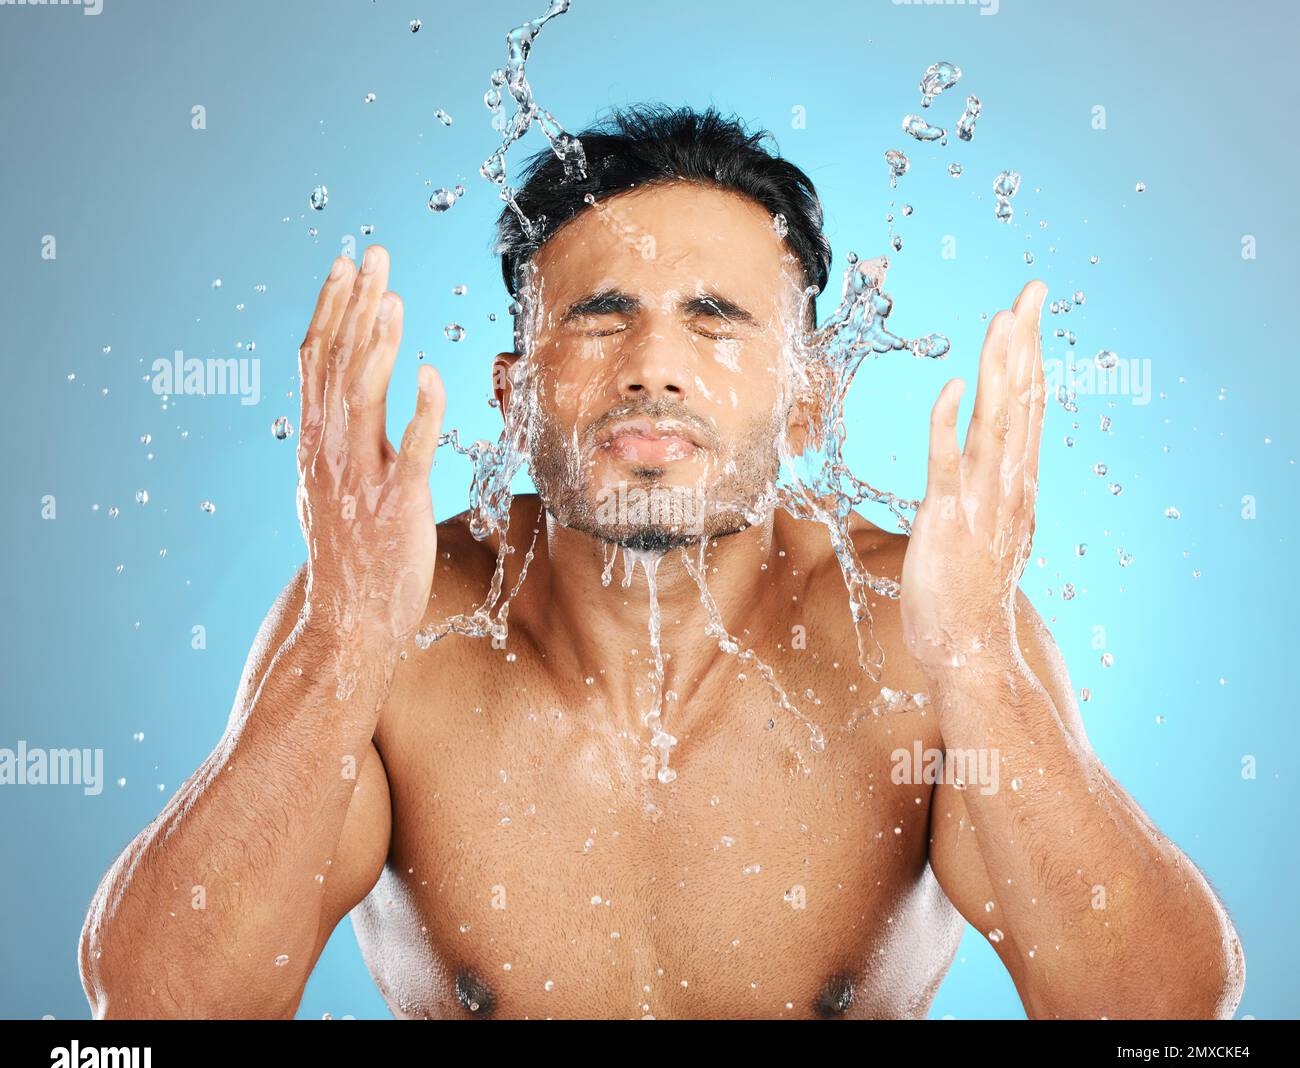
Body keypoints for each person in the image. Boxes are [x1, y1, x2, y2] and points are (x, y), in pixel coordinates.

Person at [78, 105, 1244, 1020]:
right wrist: (338, 642)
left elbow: (1163, 1026)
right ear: (513, 391)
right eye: (598, 313)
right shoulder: (391, 622)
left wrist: (979, 663)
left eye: (716, 317)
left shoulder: (921, 630)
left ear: (809, 402)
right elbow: (143, 1024)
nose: (652, 367)